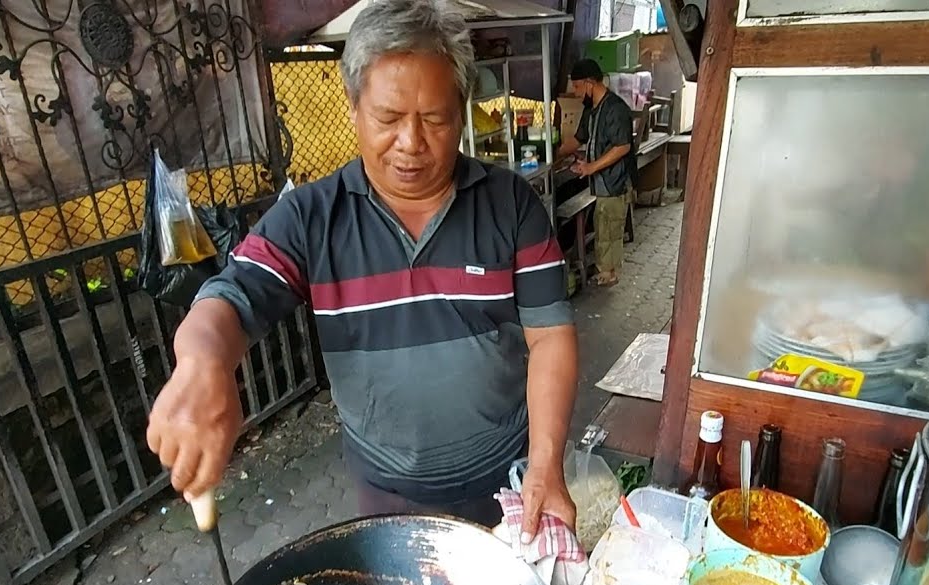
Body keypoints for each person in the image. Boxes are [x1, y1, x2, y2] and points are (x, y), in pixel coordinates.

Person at [146, 0, 578, 539]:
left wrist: (546, 463)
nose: (411, 142)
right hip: (386, 493)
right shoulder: (310, 217)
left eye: (435, 119)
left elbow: (550, 336)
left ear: (462, 110)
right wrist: (201, 362)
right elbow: (232, 297)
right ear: (354, 108)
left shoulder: (511, 204)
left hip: (510, 484)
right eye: (388, 119)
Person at [560, 58, 637, 288]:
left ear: (589, 83)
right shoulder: (591, 109)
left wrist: (591, 167)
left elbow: (622, 146)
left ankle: (609, 273)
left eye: (577, 86)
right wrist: (554, 154)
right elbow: (579, 139)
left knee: (610, 226)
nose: (575, 93)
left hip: (616, 180)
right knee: (602, 223)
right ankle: (606, 270)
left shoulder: (615, 108)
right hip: (603, 180)